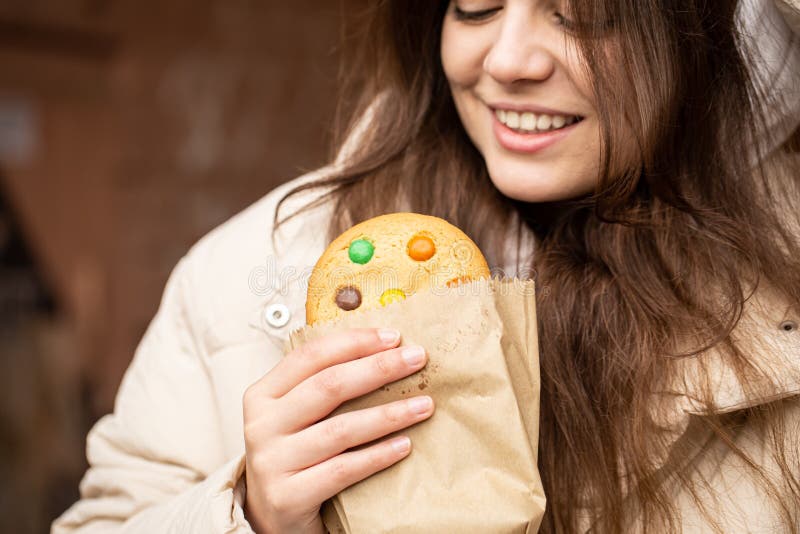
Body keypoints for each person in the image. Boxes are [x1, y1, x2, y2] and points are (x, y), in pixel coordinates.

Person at [54, 0, 800, 532]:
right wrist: (247, 518)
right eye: (474, 7)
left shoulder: (781, 291)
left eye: (586, 11)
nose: (507, 60)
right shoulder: (253, 267)